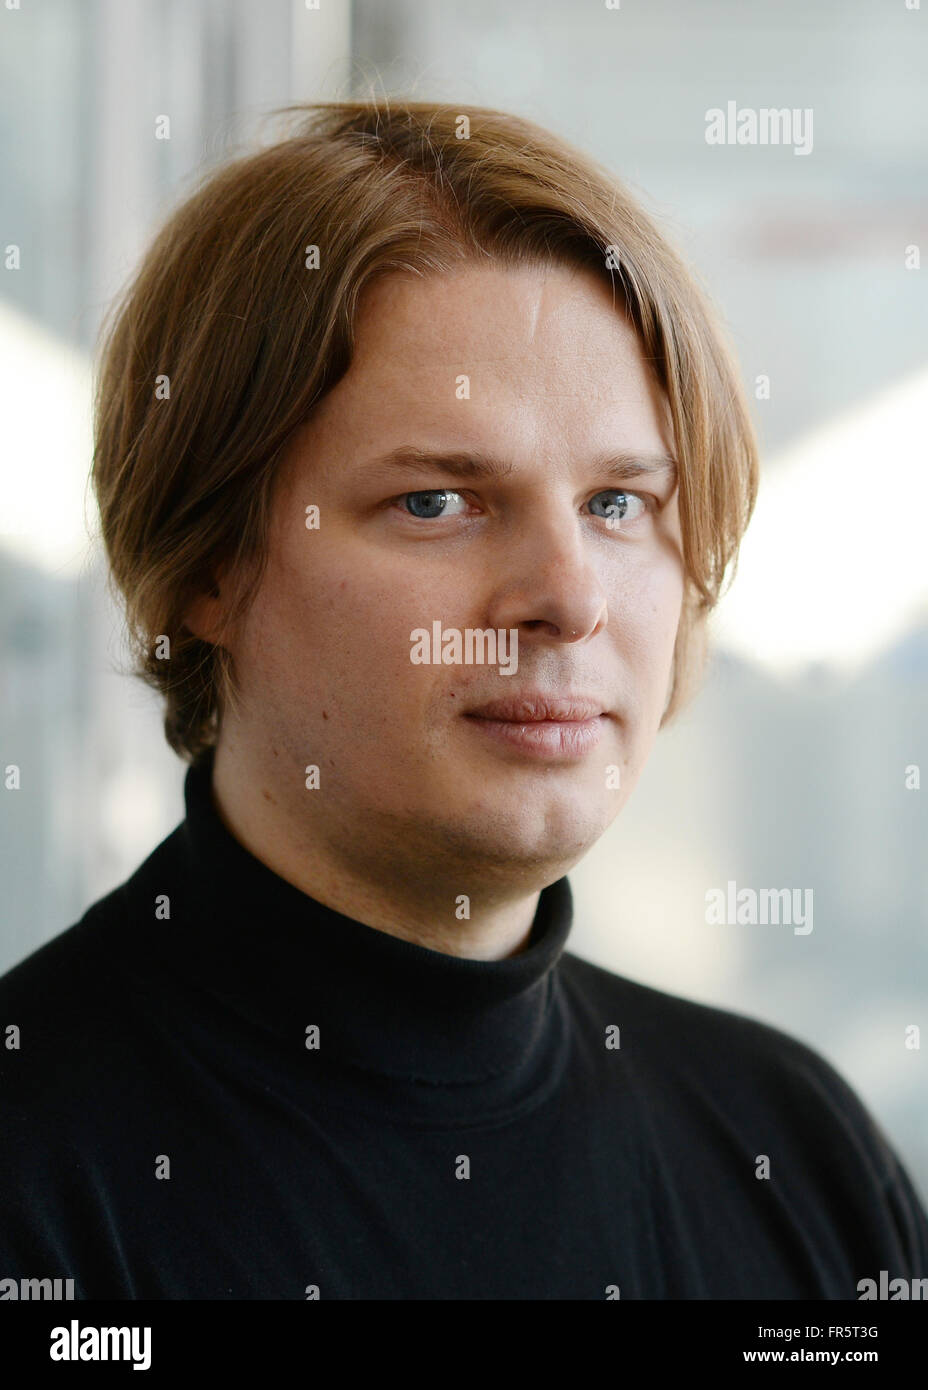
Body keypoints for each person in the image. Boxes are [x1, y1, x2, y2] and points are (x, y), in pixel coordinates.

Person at [1, 100, 925, 1301]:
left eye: (617, 503)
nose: (568, 599)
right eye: (439, 501)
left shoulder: (795, 1156)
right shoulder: (41, 1189)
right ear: (206, 568)